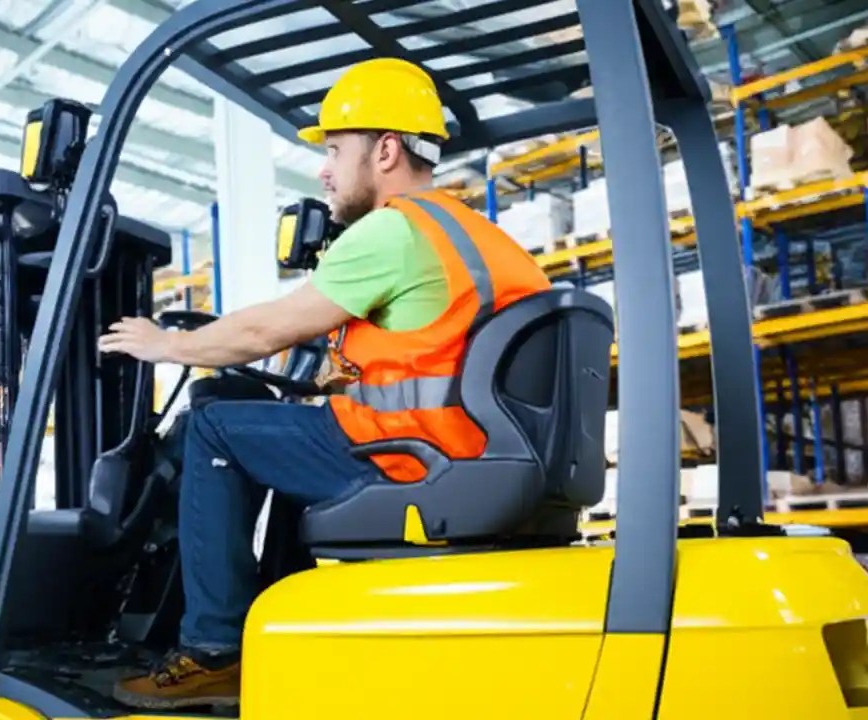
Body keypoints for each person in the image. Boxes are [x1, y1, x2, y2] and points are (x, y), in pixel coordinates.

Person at [100, 57, 551, 710]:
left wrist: (166, 344)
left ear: (386, 150)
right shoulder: (480, 236)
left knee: (213, 426)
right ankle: (289, 625)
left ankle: (213, 649)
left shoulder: (393, 231)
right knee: (286, 438)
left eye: (335, 150)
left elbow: (267, 330)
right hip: (467, 451)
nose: (324, 170)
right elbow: (441, 356)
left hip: (412, 456)